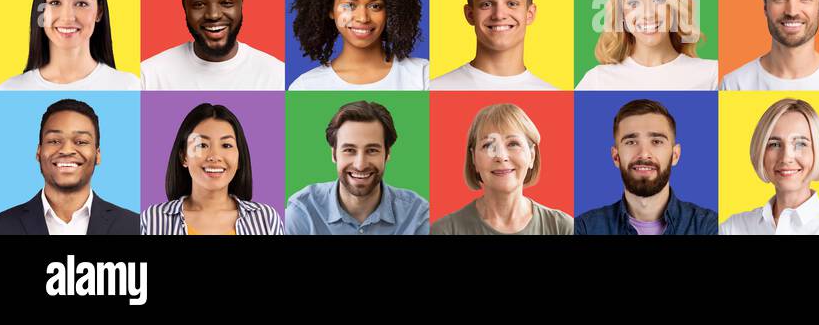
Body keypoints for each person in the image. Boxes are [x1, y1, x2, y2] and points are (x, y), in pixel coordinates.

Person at [141, 0, 285, 90]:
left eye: (226, 2)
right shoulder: (150, 76)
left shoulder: (276, 76)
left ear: (241, 4)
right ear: (185, 7)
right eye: (199, 4)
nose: (213, 15)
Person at [0, 100, 139, 235]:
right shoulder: (1, 226)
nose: (66, 150)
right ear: (38, 152)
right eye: (54, 141)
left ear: (98, 154)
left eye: (81, 142)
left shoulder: (134, 226)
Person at [575, 99, 718, 235]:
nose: (644, 154)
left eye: (656, 141)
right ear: (616, 157)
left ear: (675, 155)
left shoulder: (708, 226)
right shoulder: (585, 227)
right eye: (631, 142)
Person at [286, 101, 429, 235]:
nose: (360, 165)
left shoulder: (416, 214)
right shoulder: (302, 212)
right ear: (334, 154)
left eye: (372, 150)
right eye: (349, 150)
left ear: (387, 153)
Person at [576, 0, 716, 90]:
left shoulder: (712, 75)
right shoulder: (598, 80)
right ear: (621, 13)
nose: (648, 14)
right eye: (634, 2)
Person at [0, 0, 140, 90]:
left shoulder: (129, 86)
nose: (67, 17)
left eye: (81, 3)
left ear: (99, 12)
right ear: (41, 11)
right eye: (55, 2)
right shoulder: (7, 91)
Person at [430, 103, 573, 235]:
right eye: (488, 145)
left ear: (532, 156)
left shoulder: (563, 228)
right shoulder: (445, 230)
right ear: (473, 158)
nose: (501, 156)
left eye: (513, 144)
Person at [140, 103, 283, 235]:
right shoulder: (152, 220)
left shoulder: (266, 219)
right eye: (202, 145)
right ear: (184, 157)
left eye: (226, 145)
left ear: (239, 158)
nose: (214, 156)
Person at [289, 0, 427, 90]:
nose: (363, 18)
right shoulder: (306, 87)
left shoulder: (422, 75)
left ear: (390, 11)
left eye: (375, 6)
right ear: (330, 10)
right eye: (349, 5)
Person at [720, 98, 819, 235]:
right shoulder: (733, 228)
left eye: (800, 144)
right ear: (761, 151)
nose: (786, 158)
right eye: (775, 144)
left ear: (818, 151)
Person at [429, 0, 556, 90]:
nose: (499, 15)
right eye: (486, 4)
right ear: (470, 15)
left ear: (530, 14)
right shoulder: (435, 87)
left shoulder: (554, 94)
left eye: (512, 3)